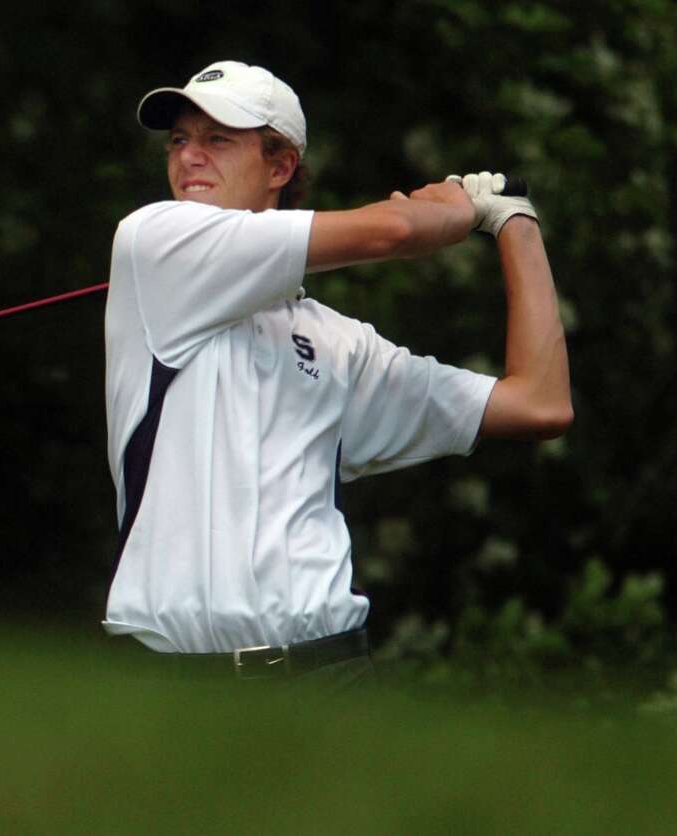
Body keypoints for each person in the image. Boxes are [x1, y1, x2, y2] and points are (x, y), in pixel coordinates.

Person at [102, 60, 572, 681]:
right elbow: (395, 229)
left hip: (330, 672)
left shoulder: (340, 344)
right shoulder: (155, 239)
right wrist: (458, 205)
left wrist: (516, 222)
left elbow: (539, 404)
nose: (189, 156)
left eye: (218, 139)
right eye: (180, 140)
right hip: (180, 686)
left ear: (280, 166)